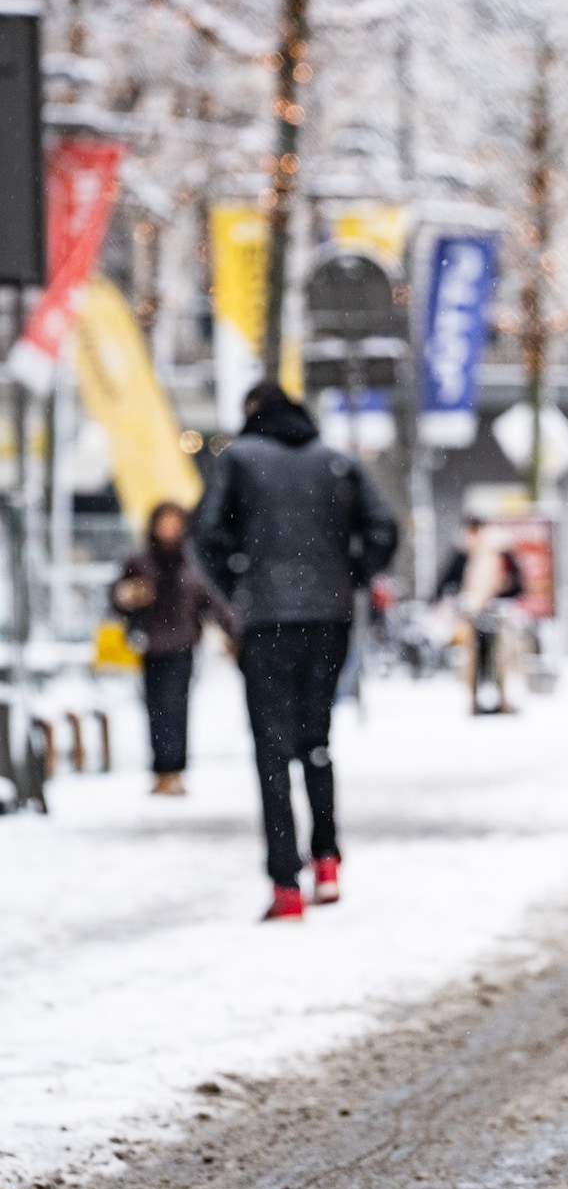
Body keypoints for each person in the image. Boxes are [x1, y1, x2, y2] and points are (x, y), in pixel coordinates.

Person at [193, 383, 398, 920]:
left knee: (271, 749)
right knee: (317, 739)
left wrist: (238, 584)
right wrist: (349, 573)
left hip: (266, 619)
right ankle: (327, 859)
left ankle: (286, 882)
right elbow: (384, 528)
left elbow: (207, 535)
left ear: (250, 412)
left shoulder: (238, 460)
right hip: (329, 616)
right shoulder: (337, 463)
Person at [111, 501, 235, 797]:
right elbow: (116, 597)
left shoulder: (192, 561)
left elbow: (211, 602)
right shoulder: (139, 561)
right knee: (155, 708)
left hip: (182, 643)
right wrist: (130, 596)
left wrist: (234, 633)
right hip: (151, 645)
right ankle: (161, 769)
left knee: (176, 707)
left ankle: (174, 770)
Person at [437, 518, 526, 715]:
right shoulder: (486, 552)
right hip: (479, 614)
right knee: (486, 660)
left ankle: (498, 700)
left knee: (494, 660)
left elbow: (448, 579)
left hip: (493, 614)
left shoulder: (493, 551)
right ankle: (493, 701)